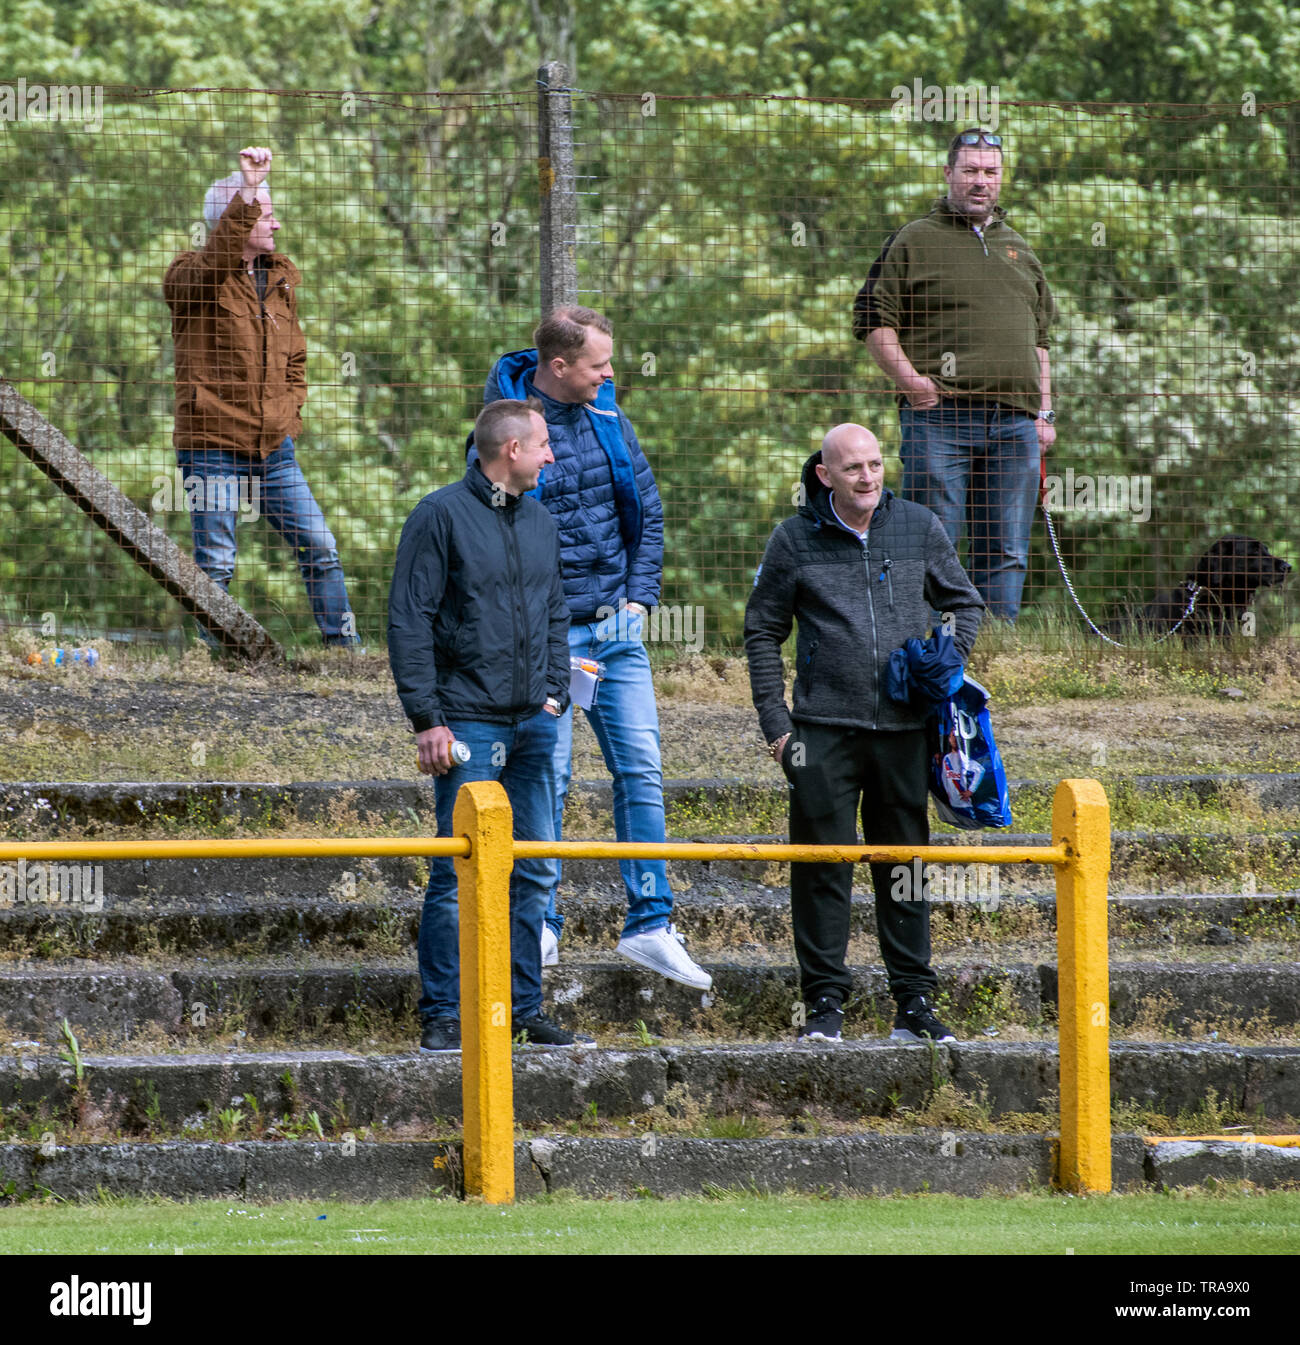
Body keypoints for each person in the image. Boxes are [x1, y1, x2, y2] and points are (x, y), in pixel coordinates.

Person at [483, 306, 711, 991]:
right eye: (599, 364)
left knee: (641, 768)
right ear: (559, 366)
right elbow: (493, 536)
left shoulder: (611, 417)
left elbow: (649, 511)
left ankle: (650, 924)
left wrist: (640, 600)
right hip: (548, 638)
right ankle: (540, 925)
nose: (610, 373)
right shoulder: (507, 433)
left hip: (616, 633)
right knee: (546, 778)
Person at [744, 423, 985, 1043]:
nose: (868, 477)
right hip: (820, 733)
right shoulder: (793, 539)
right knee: (821, 868)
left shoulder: (918, 527)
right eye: (853, 468)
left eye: (875, 464)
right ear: (825, 474)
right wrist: (777, 727)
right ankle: (824, 1006)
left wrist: (947, 659)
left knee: (906, 865)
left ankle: (914, 1005)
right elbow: (762, 630)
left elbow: (964, 602)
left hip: (905, 729)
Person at [387, 398, 589, 1052]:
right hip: (467, 723)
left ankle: (523, 1010)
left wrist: (554, 697)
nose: (552, 456)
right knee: (456, 876)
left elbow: (555, 611)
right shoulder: (439, 515)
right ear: (512, 450)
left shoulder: (540, 521)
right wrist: (428, 719)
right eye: (544, 445)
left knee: (534, 870)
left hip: (535, 725)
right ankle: (444, 1016)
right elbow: (409, 619)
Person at [855, 129, 1057, 623]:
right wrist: (912, 383)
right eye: (970, 170)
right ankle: (932, 649)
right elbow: (872, 321)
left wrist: (1044, 412)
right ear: (948, 174)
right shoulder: (914, 239)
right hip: (940, 419)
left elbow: (1040, 341)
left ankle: (994, 649)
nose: (980, 181)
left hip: (1016, 425)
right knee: (934, 541)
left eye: (990, 172)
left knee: (1006, 549)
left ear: (1001, 178)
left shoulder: (1020, 249)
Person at [164, 147, 358, 648]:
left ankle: (345, 652)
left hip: (274, 448)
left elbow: (296, 359)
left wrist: (289, 413)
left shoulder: (280, 279)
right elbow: (215, 260)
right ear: (235, 218)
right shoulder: (189, 277)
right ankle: (215, 660)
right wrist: (248, 189)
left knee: (320, 547)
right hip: (211, 445)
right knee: (216, 564)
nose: (276, 224)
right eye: (264, 215)